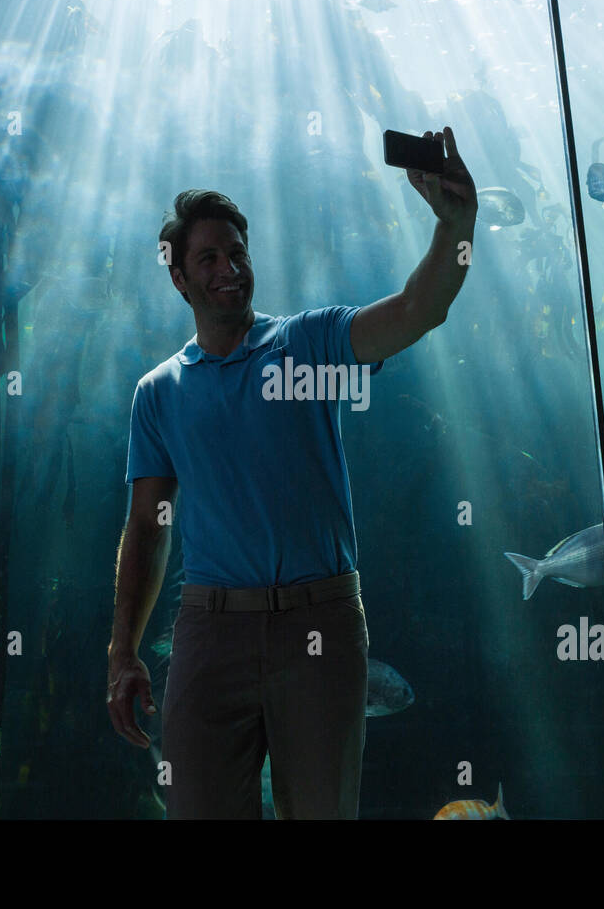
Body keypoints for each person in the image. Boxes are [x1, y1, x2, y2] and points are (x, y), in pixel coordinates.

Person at [107, 127, 477, 818]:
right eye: (208, 257)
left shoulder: (308, 343)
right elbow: (147, 529)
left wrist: (456, 226)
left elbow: (419, 309)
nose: (229, 268)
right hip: (208, 631)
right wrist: (122, 651)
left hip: (320, 622)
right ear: (178, 277)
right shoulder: (158, 393)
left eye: (238, 252)